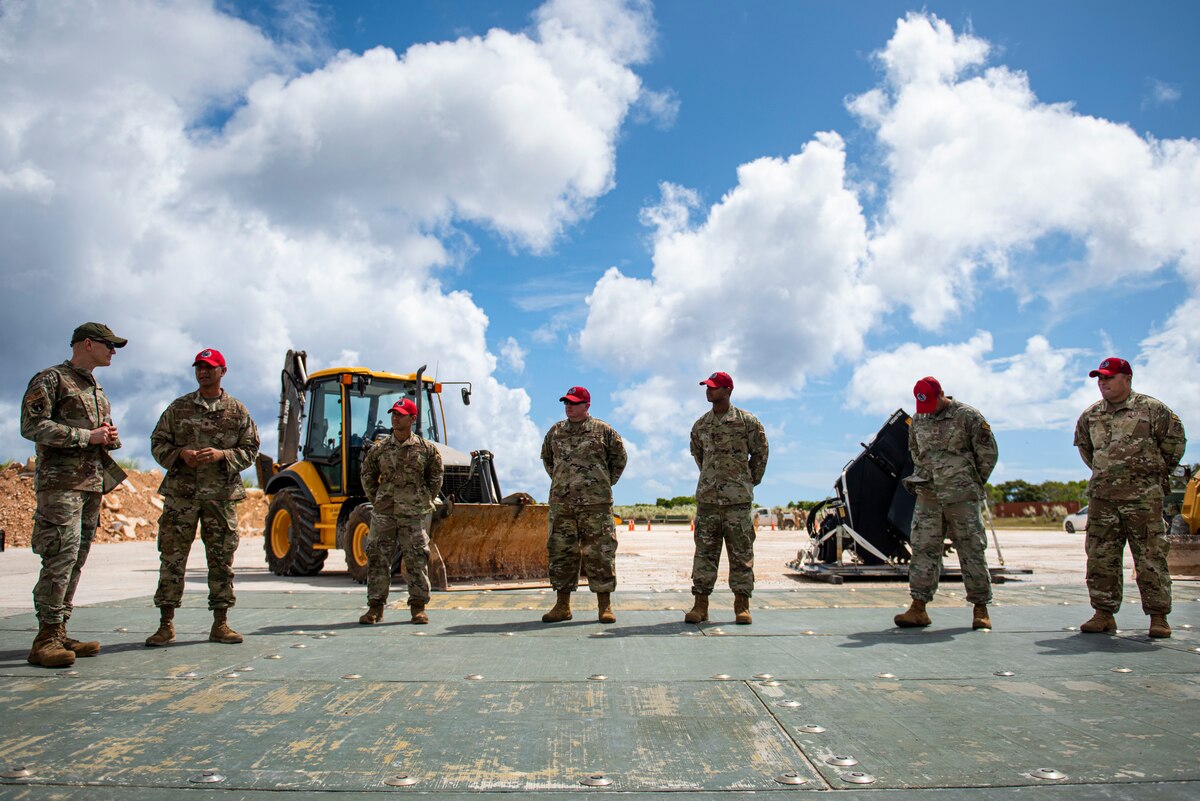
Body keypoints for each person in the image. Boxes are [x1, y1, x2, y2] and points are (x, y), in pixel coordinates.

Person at [20, 322, 128, 667]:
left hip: (90, 484)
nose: (113, 352)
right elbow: (32, 426)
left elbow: (97, 434)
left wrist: (109, 437)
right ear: (87, 344)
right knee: (59, 557)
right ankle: (45, 639)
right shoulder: (51, 379)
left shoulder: (96, 388)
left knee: (76, 560)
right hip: (61, 486)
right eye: (109, 345)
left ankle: (59, 631)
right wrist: (87, 437)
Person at [145, 349, 261, 647]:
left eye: (209, 367)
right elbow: (157, 442)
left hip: (220, 497)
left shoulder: (237, 411)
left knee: (221, 560)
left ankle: (220, 623)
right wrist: (179, 454)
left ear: (223, 371)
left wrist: (223, 455)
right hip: (181, 495)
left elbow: (251, 450)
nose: (203, 372)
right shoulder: (179, 407)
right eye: (199, 367)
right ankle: (165, 625)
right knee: (172, 559)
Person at [1073, 357, 1186, 638]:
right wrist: (1111, 474)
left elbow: (1174, 445)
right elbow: (1087, 451)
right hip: (1103, 499)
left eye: (1109, 377)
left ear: (1127, 378)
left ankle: (1158, 616)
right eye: (1100, 378)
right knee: (1101, 558)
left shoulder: (1152, 409)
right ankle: (1103, 614)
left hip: (1143, 499)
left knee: (1150, 557)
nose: (1103, 382)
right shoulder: (1090, 415)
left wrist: (1148, 475)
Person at [895, 377, 998, 630]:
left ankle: (980, 608)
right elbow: (915, 451)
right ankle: (918, 607)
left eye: (931, 403)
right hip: (929, 495)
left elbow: (987, 454)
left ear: (941, 394)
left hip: (961, 496)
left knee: (971, 549)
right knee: (923, 549)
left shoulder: (968, 416)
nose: (928, 410)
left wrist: (968, 481)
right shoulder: (918, 419)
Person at [685, 372, 769, 625]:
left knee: (741, 554)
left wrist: (747, 481)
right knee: (704, 554)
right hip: (708, 502)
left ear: (728, 390)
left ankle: (742, 606)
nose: (708, 391)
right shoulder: (700, 425)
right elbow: (699, 456)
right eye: (707, 387)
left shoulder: (747, 422)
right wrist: (712, 480)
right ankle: (700, 606)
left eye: (714, 387)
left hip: (737, 502)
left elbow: (760, 453)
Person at [540, 386, 627, 623]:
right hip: (562, 505)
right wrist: (563, 483)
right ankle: (562, 606)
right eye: (566, 403)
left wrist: (602, 483)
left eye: (574, 403)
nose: (568, 406)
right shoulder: (555, 432)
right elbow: (548, 460)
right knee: (561, 553)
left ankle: (604, 606)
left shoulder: (603, 431)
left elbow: (619, 459)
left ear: (586, 406)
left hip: (596, 505)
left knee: (600, 554)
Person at [358, 398, 444, 625]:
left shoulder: (426, 449)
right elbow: (367, 474)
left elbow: (436, 476)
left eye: (400, 414)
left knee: (416, 559)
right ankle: (375, 608)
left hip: (413, 514)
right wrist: (378, 499)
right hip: (384, 513)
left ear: (412, 419)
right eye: (393, 414)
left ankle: (418, 608)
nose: (395, 418)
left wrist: (422, 499)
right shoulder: (379, 449)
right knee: (377, 558)